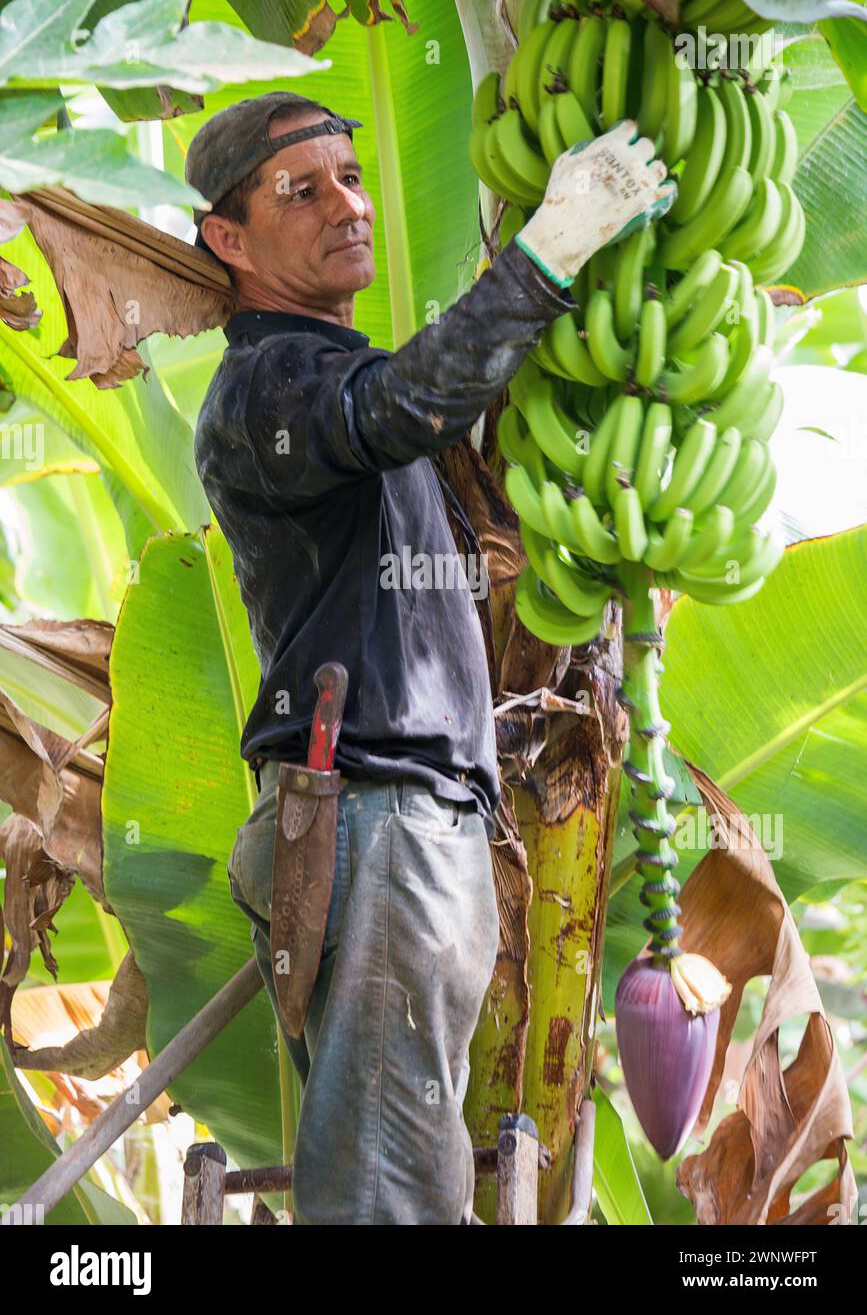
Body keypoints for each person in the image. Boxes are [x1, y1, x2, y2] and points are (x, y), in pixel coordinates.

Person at [188, 90, 671, 1225]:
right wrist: (548, 250)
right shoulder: (268, 387)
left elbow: (414, 407)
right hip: (368, 819)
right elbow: (402, 403)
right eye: (301, 191)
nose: (349, 204)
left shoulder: (341, 377)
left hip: (417, 827)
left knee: (409, 1172)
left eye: (354, 175)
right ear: (228, 239)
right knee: (388, 1197)